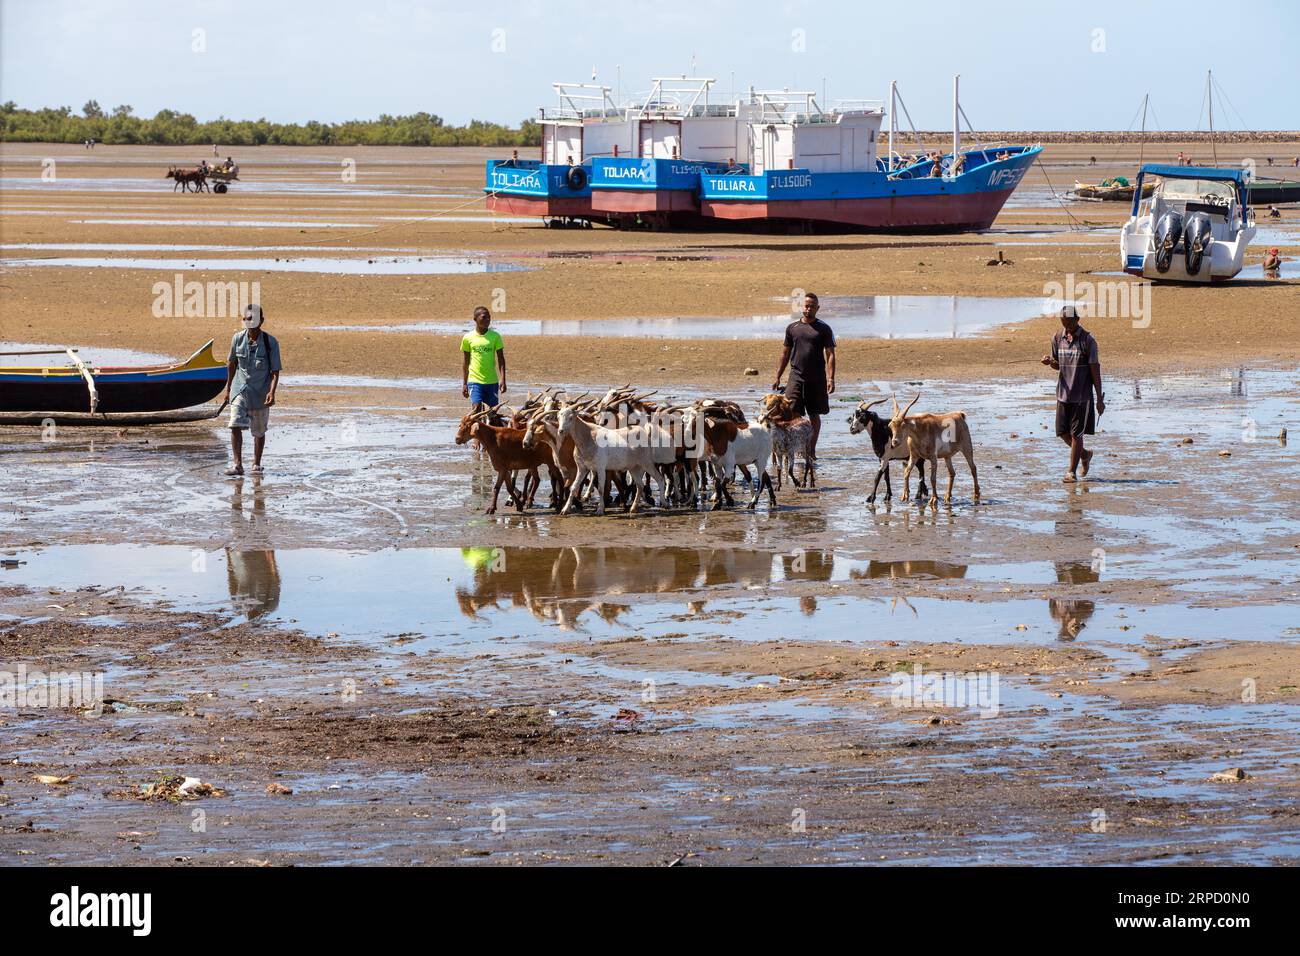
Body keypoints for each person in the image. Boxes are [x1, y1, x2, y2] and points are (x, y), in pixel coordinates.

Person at [1041, 305, 1103, 483]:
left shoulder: (1088, 341)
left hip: (1082, 396)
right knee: (1062, 432)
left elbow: (1095, 371)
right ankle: (1085, 454)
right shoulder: (1057, 338)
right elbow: (1057, 365)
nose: (1066, 326)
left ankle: (1071, 472)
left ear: (1077, 320)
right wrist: (1049, 362)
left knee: (1077, 435)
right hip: (1063, 393)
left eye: (1068, 322)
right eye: (1063, 322)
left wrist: (1099, 399)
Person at [772, 291, 835, 461]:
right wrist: (778, 376)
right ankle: (796, 448)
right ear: (802, 307)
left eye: (812, 307)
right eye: (806, 306)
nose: (808, 309)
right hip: (795, 378)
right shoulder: (792, 328)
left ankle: (811, 449)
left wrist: (831, 379)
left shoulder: (824, 329)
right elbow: (785, 353)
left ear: (818, 308)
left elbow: (830, 354)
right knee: (791, 414)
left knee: (814, 415)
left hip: (817, 379)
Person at [222, 304, 282, 477]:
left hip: (260, 392)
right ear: (243, 320)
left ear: (261, 321)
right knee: (234, 424)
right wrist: (228, 390)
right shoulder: (237, 339)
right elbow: (231, 364)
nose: (250, 322)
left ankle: (256, 463)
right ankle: (237, 465)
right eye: (247, 319)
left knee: (259, 431)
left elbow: (275, 371)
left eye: (254, 319)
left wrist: (272, 392)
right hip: (240, 389)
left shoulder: (270, 343)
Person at [461, 306, 507, 410]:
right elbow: (465, 362)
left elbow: (501, 359)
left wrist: (503, 379)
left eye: (489, 317)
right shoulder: (468, 338)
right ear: (475, 319)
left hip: (492, 381)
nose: (487, 320)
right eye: (484, 317)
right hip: (474, 381)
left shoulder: (495, 336)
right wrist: (464, 383)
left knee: (492, 412)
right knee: (476, 409)